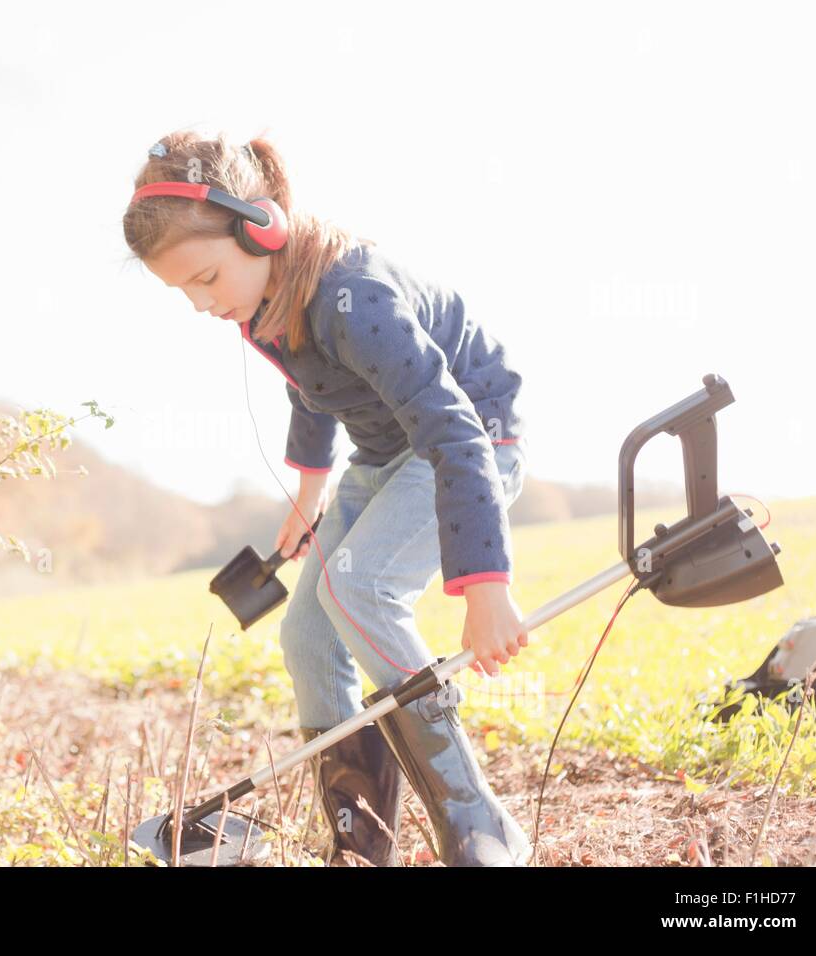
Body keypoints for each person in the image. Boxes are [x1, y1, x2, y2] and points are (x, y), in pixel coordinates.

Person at [122, 129, 533, 867]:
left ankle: (479, 821)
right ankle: (361, 836)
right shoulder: (262, 304)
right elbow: (314, 390)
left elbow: (457, 433)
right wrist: (310, 496)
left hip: (472, 439)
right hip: (383, 456)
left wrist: (487, 587)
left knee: (359, 589)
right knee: (308, 636)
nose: (197, 304)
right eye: (182, 289)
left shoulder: (355, 297)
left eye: (205, 279)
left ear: (260, 230)